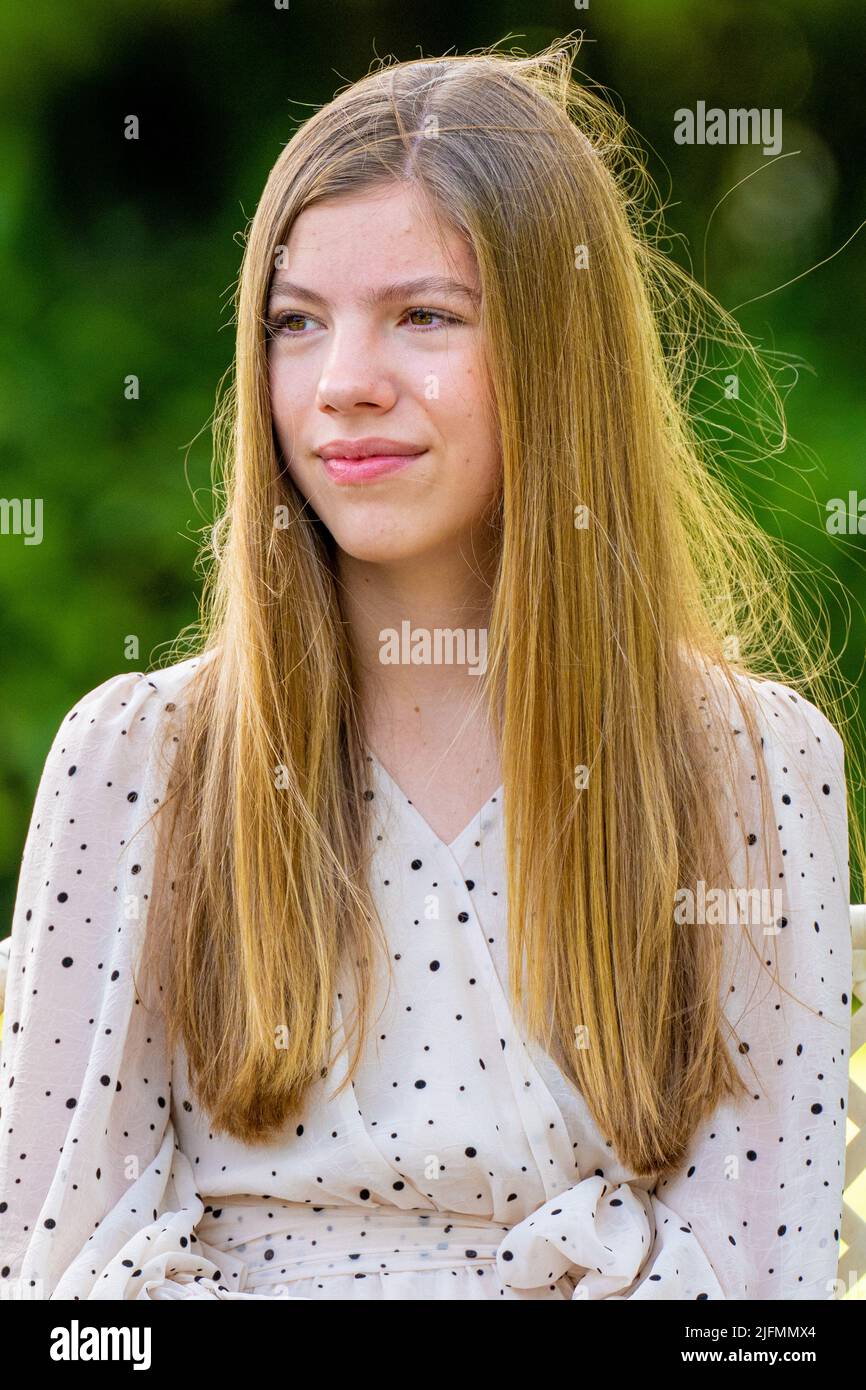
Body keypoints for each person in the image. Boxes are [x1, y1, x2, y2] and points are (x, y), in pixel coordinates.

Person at [0, 38, 855, 1300]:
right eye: (297, 324)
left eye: (424, 317)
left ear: (560, 361)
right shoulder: (141, 762)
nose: (343, 385)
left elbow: (758, 1303)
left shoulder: (746, 772)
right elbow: (57, 1285)